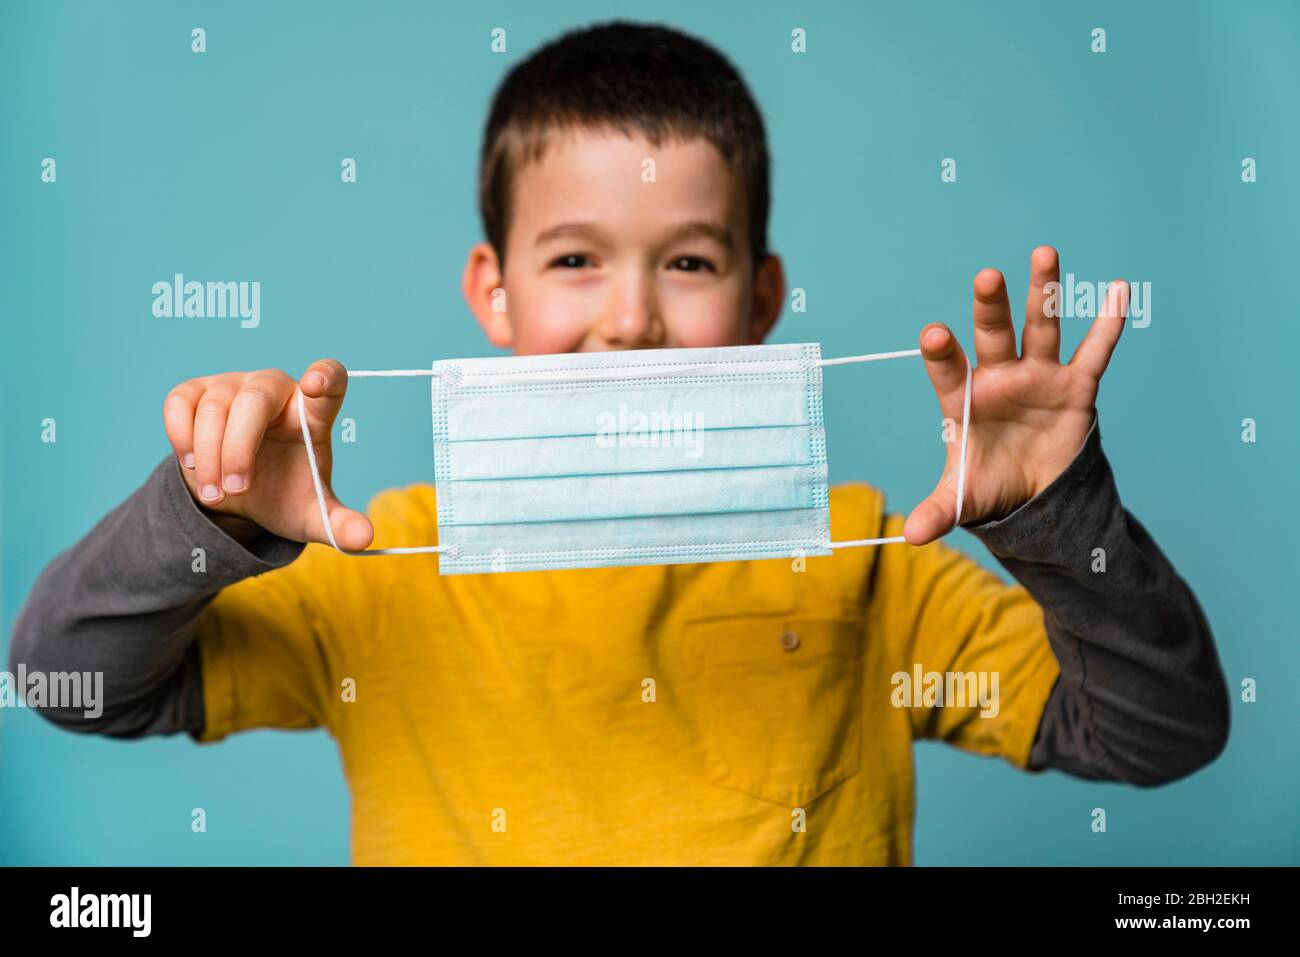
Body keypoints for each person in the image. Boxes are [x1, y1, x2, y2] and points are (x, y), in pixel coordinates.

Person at [10, 21, 1228, 865]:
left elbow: (1159, 736)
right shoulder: (377, 566)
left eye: (689, 261)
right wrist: (208, 516)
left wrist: (1062, 518)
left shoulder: (873, 553)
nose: (633, 318)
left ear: (760, 299)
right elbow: (65, 680)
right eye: (575, 259)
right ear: (493, 292)